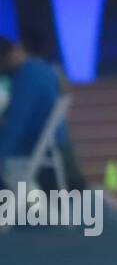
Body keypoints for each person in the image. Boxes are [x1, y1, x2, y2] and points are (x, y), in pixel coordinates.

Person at [0, 35, 83, 191]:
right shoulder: (41, 70)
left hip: (35, 149)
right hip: (55, 147)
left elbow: (16, 125)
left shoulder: (28, 77)